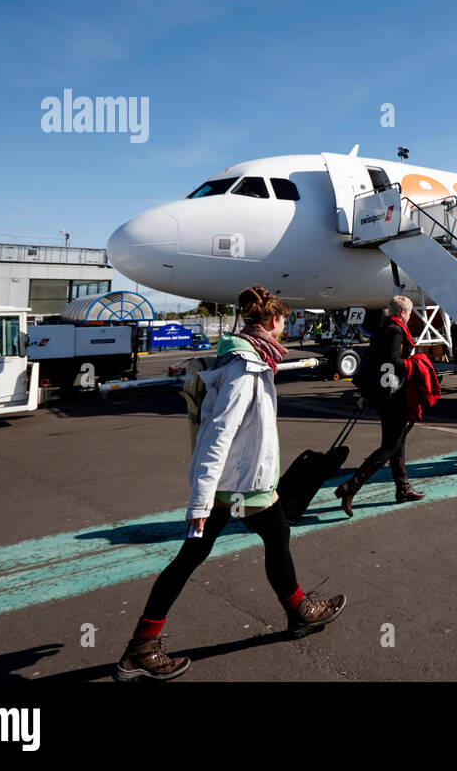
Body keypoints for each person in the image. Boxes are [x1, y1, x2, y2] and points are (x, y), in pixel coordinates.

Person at [115, 286, 345, 682]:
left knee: (201, 557)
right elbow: (218, 434)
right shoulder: (245, 367)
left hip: (235, 483)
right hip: (241, 486)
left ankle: (141, 645)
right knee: (275, 540)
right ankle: (299, 613)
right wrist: (200, 503)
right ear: (272, 322)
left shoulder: (247, 357)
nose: (285, 328)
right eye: (284, 321)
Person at [334, 295, 425, 514]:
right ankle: (351, 486)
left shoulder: (382, 329)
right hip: (392, 395)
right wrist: (413, 364)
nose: (410, 316)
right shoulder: (395, 331)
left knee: (397, 441)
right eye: (409, 313)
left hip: (384, 393)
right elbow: (393, 361)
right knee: (390, 446)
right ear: (403, 313)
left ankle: (403, 487)